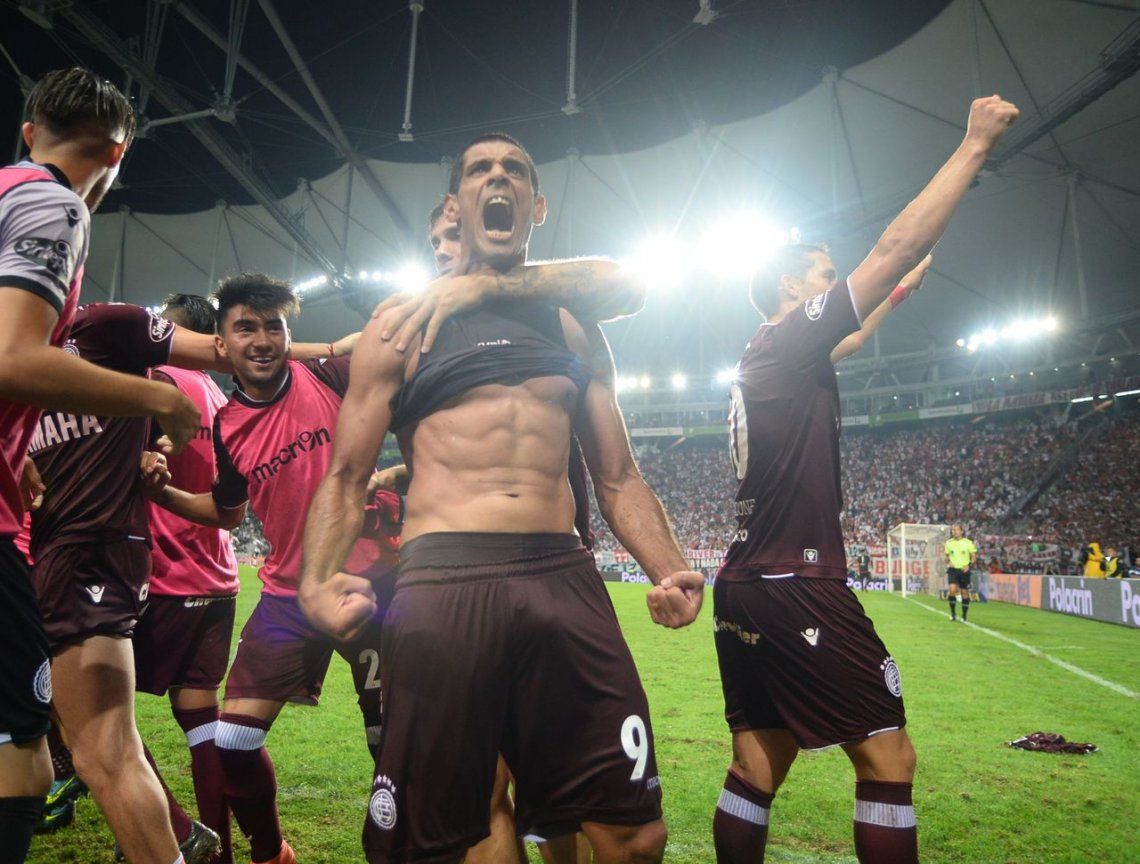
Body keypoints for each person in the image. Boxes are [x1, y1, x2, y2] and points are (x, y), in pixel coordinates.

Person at [301, 132, 704, 864]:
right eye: (481, 169)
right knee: (461, 823)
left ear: (535, 205)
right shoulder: (401, 327)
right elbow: (346, 476)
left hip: (561, 574)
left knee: (635, 833)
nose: (499, 177)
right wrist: (316, 579)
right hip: (445, 580)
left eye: (514, 169)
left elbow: (618, 476)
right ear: (456, 206)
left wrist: (667, 566)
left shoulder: (574, 323)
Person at [710, 95, 1018, 864]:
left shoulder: (768, 353)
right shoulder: (790, 341)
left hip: (747, 583)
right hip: (798, 581)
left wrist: (901, 289)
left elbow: (858, 324)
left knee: (760, 761)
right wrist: (974, 144)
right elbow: (895, 242)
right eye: (824, 274)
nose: (836, 280)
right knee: (889, 758)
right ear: (792, 288)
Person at [0, 67, 203, 864]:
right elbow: (14, 357)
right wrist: (159, 401)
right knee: (30, 742)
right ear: (118, 154)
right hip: (74, 548)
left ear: (30, 131)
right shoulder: (54, 205)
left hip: (50, 534)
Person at [144, 273, 392, 864]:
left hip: (373, 581)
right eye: (245, 328)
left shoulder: (331, 376)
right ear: (222, 343)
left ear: (288, 334)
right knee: (232, 741)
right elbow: (227, 513)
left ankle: (399, 842)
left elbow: (389, 357)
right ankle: (269, 852)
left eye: (273, 327)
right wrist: (161, 493)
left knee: (391, 745)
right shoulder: (228, 426)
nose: (262, 340)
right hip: (288, 595)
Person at [136, 294, 242, 864]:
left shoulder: (153, 380)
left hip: (162, 575)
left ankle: (168, 827)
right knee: (202, 721)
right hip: (217, 579)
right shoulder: (222, 400)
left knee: (89, 714)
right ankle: (218, 852)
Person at [944, 524, 977, 621]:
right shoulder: (948, 543)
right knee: (952, 590)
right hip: (953, 570)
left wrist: (969, 565)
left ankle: (964, 615)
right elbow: (946, 556)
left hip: (964, 570)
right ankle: (953, 613)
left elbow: (974, 556)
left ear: (962, 531)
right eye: (953, 530)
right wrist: (948, 562)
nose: (954, 531)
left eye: (957, 530)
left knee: (964, 593)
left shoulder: (968, 543)